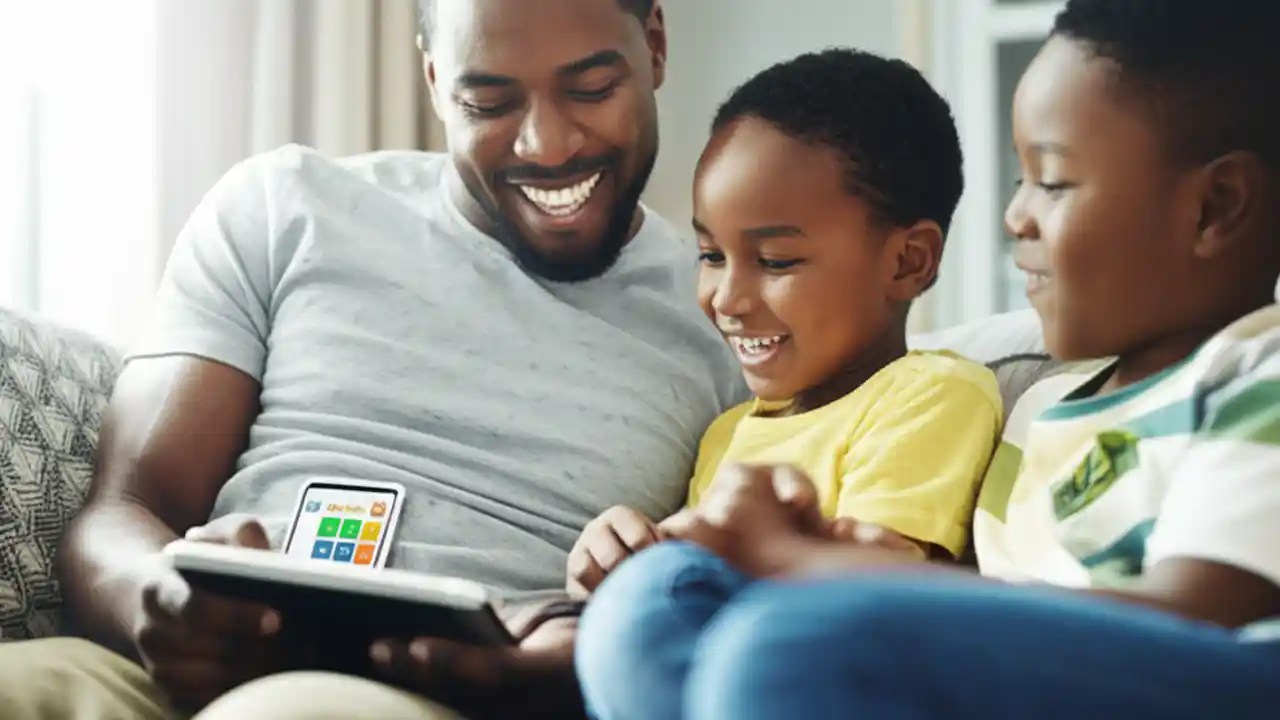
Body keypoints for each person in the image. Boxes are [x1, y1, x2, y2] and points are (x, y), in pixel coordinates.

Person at [0, 1, 748, 719]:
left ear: (654, 45)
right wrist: (155, 601)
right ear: (433, 83)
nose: (545, 146)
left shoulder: (732, 324)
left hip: (439, 697)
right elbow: (126, 508)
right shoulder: (285, 204)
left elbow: (726, 597)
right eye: (488, 104)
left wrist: (583, 673)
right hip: (163, 676)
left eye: (589, 89)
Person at [576, 1, 1280, 718]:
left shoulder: (1260, 378)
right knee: (650, 608)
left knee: (790, 644)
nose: (1014, 218)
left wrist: (816, 568)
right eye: (1019, 181)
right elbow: (971, 615)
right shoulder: (1041, 409)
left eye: (1055, 183)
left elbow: (1200, 619)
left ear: (1215, 206)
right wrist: (834, 547)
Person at [572, 48, 1003, 717]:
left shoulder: (931, 394)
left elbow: (877, 589)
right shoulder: (727, 432)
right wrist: (626, 549)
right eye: (711, 256)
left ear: (908, 262)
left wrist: (681, 553)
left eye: (774, 260)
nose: (726, 298)